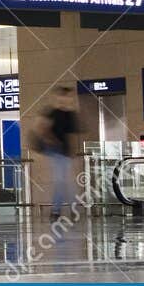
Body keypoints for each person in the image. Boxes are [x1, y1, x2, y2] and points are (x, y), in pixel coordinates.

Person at [40, 84, 79, 219]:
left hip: (64, 152)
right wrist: (53, 141)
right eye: (65, 96)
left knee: (65, 182)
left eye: (68, 97)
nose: (67, 100)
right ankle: (59, 210)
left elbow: (72, 134)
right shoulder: (53, 112)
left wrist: (71, 150)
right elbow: (44, 129)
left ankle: (61, 210)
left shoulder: (70, 114)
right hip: (57, 151)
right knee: (62, 181)